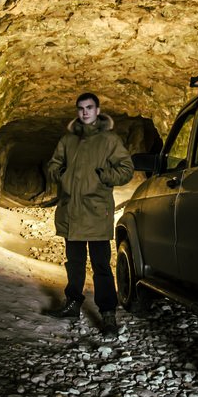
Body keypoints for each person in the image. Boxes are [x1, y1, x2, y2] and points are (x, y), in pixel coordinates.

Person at [45, 92, 134, 333]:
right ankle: (72, 303)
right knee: (74, 263)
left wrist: (104, 177)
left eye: (89, 107)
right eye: (81, 108)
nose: (85, 112)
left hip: (95, 212)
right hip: (71, 212)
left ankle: (108, 313)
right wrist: (61, 176)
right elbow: (53, 165)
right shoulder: (68, 140)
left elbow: (126, 169)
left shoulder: (109, 140)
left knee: (101, 265)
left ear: (98, 110)